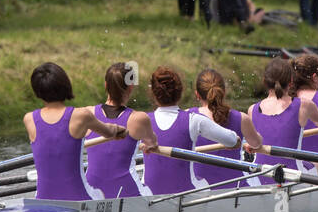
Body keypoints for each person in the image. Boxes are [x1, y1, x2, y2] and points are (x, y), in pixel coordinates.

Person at [23, 62, 144, 201]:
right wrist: (117, 130)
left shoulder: (29, 119)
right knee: (102, 196)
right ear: (65, 85)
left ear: (37, 91)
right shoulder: (81, 115)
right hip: (80, 198)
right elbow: (109, 132)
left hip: (42, 199)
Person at [141, 66, 245, 195]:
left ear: (154, 94)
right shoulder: (193, 120)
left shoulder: (142, 121)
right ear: (180, 93)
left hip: (149, 196)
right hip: (187, 194)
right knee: (204, 183)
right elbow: (232, 141)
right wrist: (236, 141)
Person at [249, 58, 318, 175]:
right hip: (292, 176)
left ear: (264, 81)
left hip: (260, 174)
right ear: (291, 81)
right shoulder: (304, 105)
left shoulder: (252, 110)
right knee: (316, 165)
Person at [85, 62, 152, 198]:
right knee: (150, 192)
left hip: (92, 193)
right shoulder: (138, 118)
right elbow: (152, 145)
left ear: (105, 85)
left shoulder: (86, 114)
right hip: (128, 193)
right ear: (130, 87)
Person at [192, 69, 266, 187]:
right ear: (224, 92)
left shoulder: (187, 118)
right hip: (235, 187)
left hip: (199, 190)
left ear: (197, 95)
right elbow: (257, 144)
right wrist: (251, 142)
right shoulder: (242, 118)